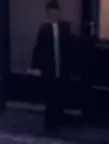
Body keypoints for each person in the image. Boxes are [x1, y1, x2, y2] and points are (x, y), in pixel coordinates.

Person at [29, 0, 74, 132]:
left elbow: (69, 47)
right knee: (50, 96)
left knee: (60, 94)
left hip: (61, 66)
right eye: (51, 12)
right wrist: (35, 67)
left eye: (56, 12)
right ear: (48, 14)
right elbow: (38, 49)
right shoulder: (44, 29)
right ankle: (49, 124)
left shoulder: (64, 28)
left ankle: (58, 120)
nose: (54, 15)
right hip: (49, 68)